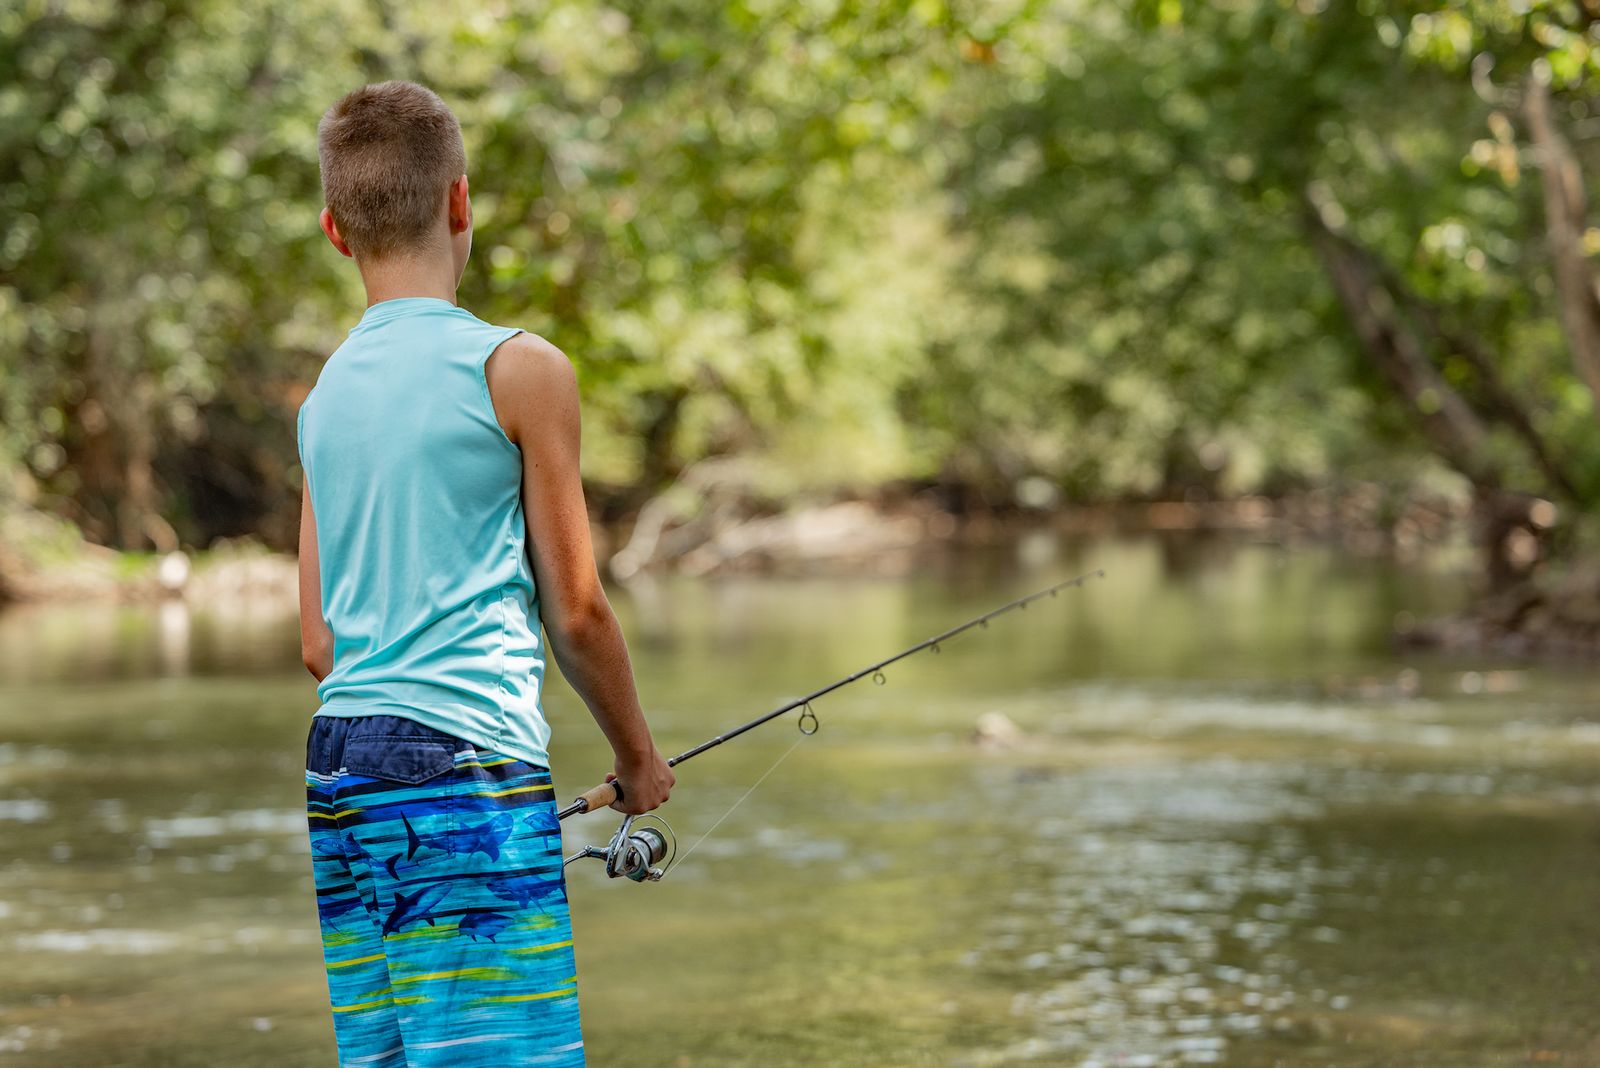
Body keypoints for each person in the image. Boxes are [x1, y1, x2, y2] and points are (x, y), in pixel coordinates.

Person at [296, 79, 674, 1067]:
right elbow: (578, 610)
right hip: (464, 761)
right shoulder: (518, 369)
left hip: (339, 770)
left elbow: (318, 643)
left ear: (336, 230)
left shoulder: (324, 396)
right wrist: (636, 760)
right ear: (460, 203)